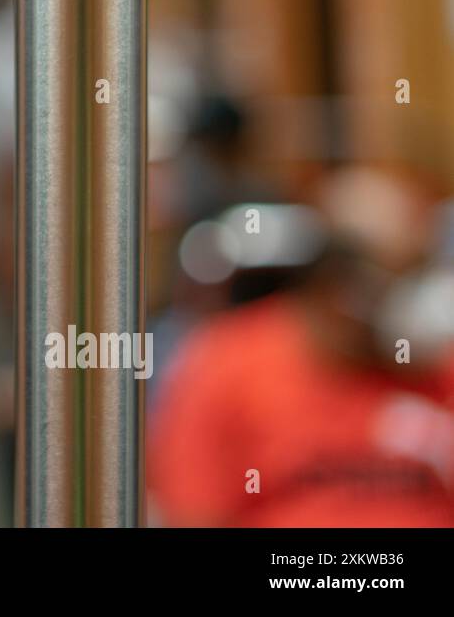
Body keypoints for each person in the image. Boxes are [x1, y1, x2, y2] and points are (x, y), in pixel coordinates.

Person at [149, 167, 454, 527]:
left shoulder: (436, 368)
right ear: (340, 287)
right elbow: (193, 514)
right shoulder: (225, 364)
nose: (421, 300)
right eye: (403, 277)